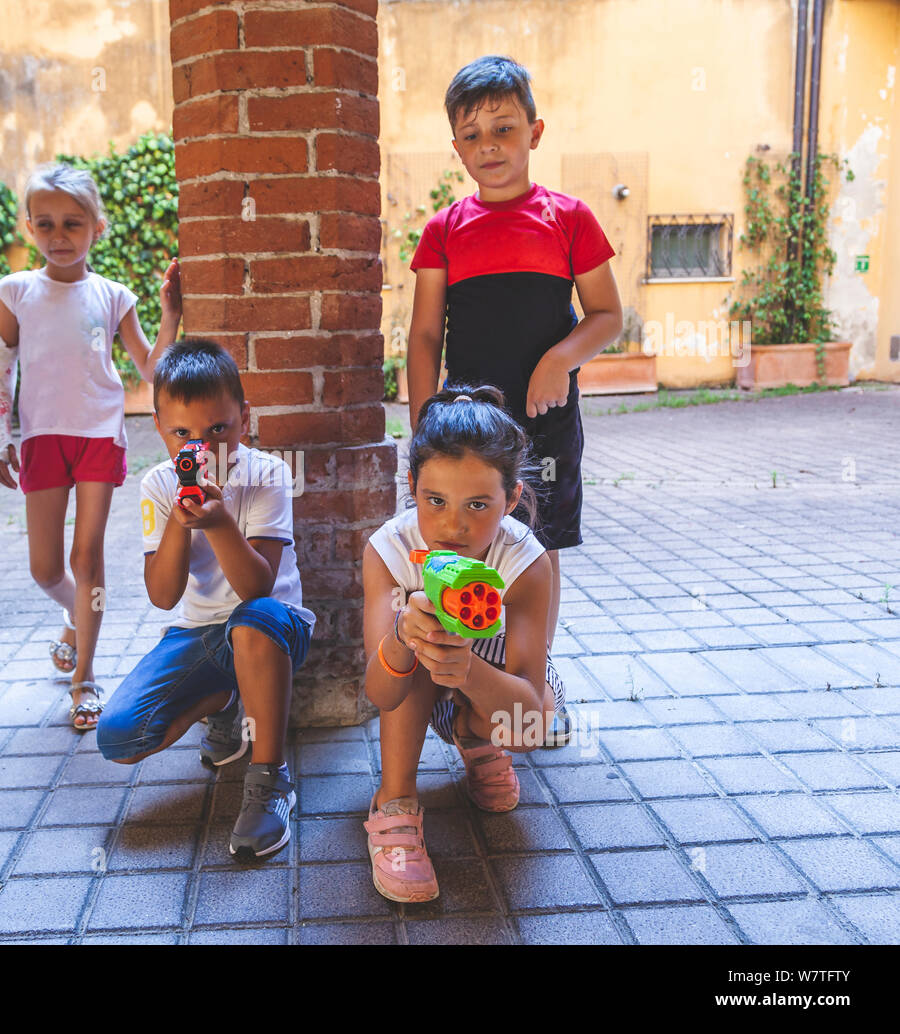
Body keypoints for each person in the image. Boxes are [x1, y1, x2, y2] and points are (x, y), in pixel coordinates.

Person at [405, 55, 622, 747]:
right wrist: (423, 429)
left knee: (540, 542)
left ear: (535, 131)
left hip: (546, 423)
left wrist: (560, 360)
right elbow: (424, 335)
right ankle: (470, 669)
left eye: (504, 128)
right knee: (469, 536)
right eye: (472, 135)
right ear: (456, 148)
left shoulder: (570, 219)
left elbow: (608, 316)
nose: (489, 146)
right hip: (470, 428)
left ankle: (535, 676)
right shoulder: (443, 230)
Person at [95, 340, 314, 860]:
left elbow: (258, 588)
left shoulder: (267, 474)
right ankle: (226, 700)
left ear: (244, 419)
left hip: (274, 629)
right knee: (119, 738)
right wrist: (180, 515)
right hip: (201, 635)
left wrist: (217, 524)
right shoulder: (156, 486)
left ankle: (270, 778)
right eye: (183, 434)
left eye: (218, 429)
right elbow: (163, 595)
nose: (202, 447)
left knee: (253, 619)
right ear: (158, 428)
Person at [0, 162, 180, 730]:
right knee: (46, 569)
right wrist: (0, 439)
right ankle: (76, 615)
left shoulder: (114, 296)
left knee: (85, 557)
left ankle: (85, 679)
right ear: (29, 228)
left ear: (98, 227)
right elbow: (0, 369)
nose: (58, 236)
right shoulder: (16, 292)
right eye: (44, 224)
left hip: (98, 433)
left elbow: (150, 369)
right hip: (41, 438)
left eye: (72, 223)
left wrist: (170, 316)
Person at [362, 387, 564, 903]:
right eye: (436, 501)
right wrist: (404, 635)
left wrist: (469, 671)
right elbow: (379, 693)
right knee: (415, 643)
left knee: (527, 725)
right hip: (416, 690)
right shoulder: (390, 551)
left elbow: (529, 721)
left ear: (511, 499)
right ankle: (395, 802)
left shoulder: (525, 561)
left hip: (492, 686)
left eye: (478, 504)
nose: (454, 525)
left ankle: (475, 738)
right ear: (412, 488)